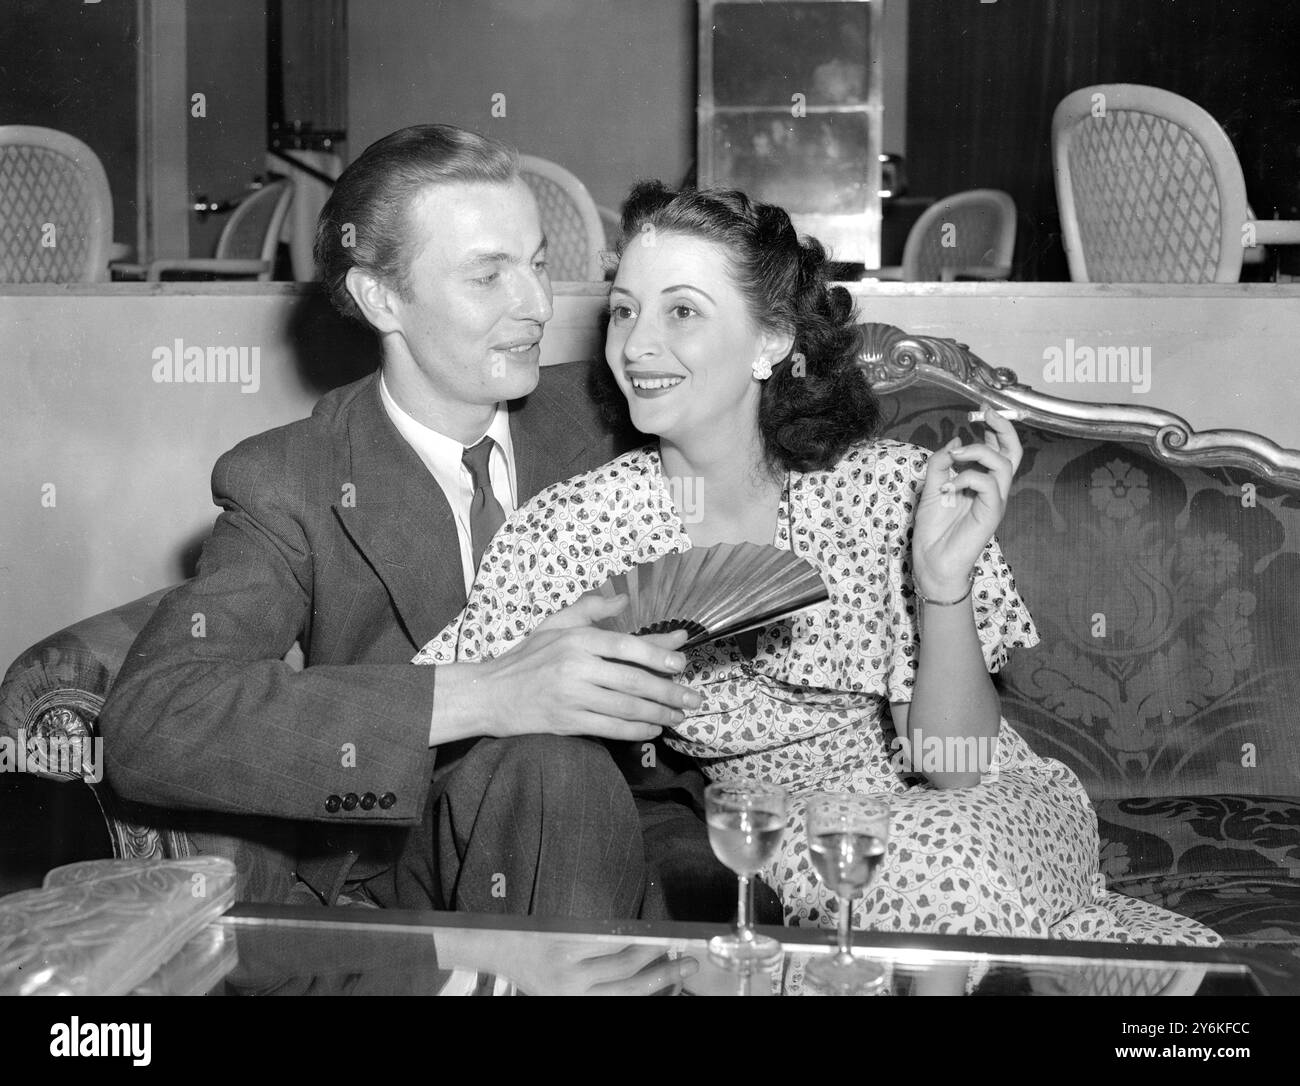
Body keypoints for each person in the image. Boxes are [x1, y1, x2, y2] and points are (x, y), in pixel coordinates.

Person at [417, 181, 1220, 945]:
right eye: (624, 311)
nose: (639, 344)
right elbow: (434, 698)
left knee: (952, 860)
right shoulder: (579, 526)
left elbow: (953, 767)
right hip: (778, 832)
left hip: (979, 804)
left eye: (683, 311)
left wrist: (942, 589)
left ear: (770, 341)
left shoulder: (887, 489)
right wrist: (531, 669)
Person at [99, 125, 706, 937]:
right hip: (416, 846)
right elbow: (153, 723)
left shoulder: (612, 412)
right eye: (487, 276)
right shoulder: (293, 480)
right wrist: (486, 692)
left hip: (637, 824)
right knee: (548, 763)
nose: (536, 304)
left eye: (536, 263)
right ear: (382, 298)